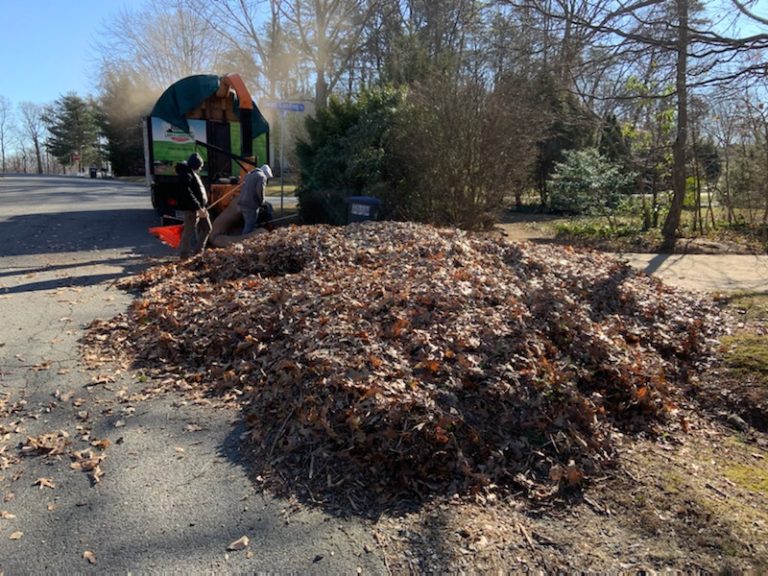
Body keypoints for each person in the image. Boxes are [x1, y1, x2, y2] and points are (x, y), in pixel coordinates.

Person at [176, 152, 212, 259]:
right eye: (200, 166)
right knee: (189, 231)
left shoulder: (192, 173)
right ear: (195, 165)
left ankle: (198, 251)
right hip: (192, 209)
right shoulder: (185, 174)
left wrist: (203, 206)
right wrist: (198, 207)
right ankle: (184, 255)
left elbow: (198, 192)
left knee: (207, 228)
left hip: (201, 207)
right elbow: (188, 193)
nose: (201, 168)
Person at [237, 161, 271, 235]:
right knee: (249, 226)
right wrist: (262, 202)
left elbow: (243, 188)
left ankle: (243, 240)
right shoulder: (262, 176)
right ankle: (244, 242)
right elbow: (260, 191)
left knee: (247, 224)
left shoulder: (249, 175)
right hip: (251, 205)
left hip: (242, 202)